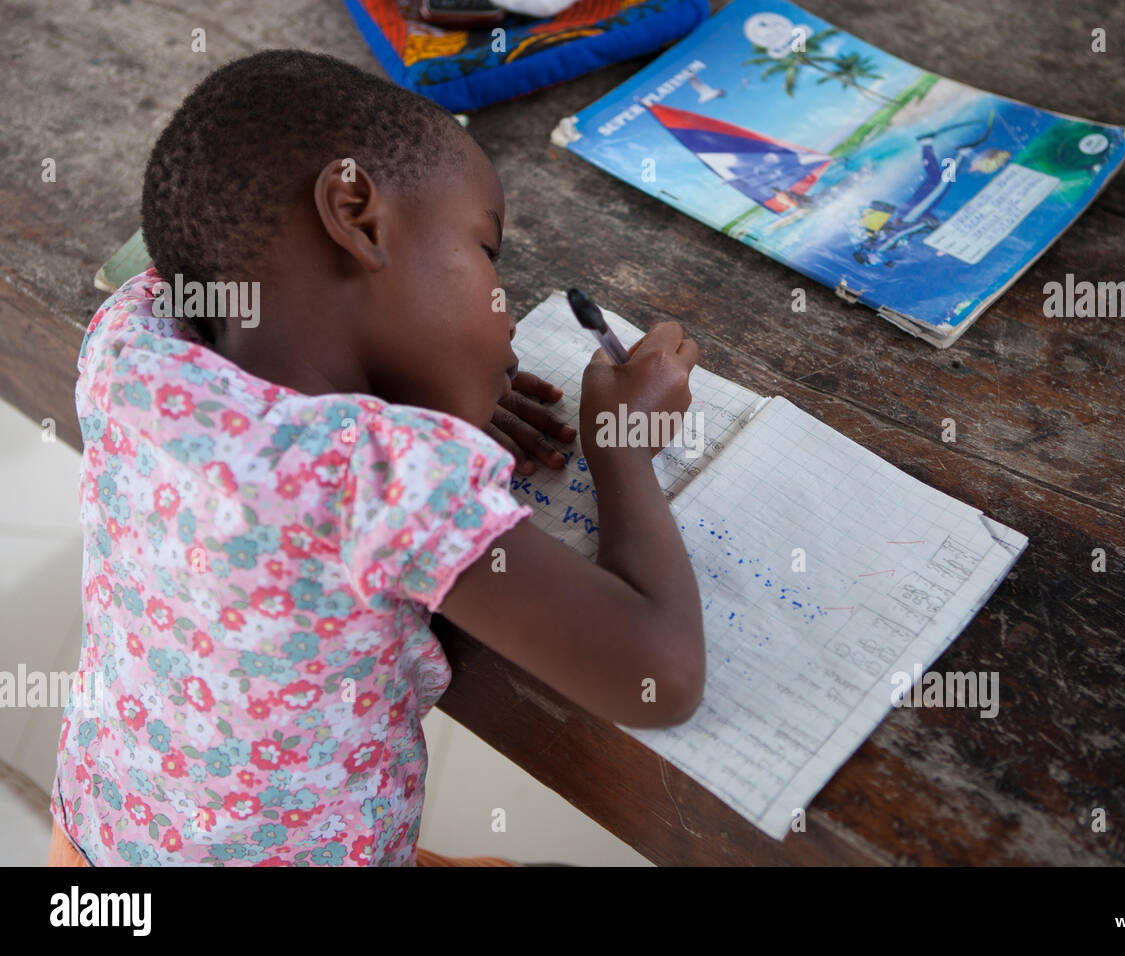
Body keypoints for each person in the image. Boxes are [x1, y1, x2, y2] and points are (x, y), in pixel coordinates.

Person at [50, 49, 705, 867]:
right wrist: (622, 449)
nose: (505, 310)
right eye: (488, 254)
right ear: (355, 212)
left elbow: (227, 247)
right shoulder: (382, 477)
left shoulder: (128, 340)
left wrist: (421, 373)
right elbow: (660, 675)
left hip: (94, 846)